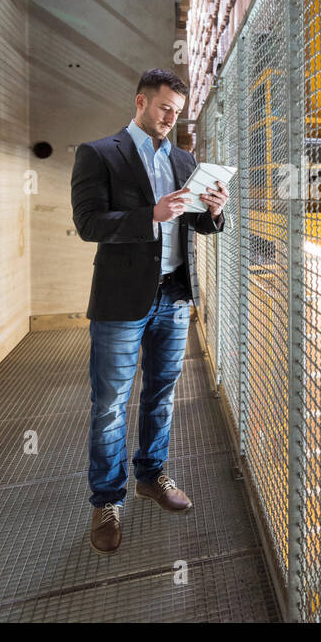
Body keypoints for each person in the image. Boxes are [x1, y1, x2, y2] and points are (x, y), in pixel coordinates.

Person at [70, 68, 228, 555]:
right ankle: (107, 500)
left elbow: (198, 223)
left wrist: (215, 209)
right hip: (121, 301)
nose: (170, 119)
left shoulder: (184, 158)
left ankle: (151, 476)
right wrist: (149, 216)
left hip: (174, 297)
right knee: (111, 405)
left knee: (161, 395)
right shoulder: (99, 154)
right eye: (164, 109)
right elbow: (89, 223)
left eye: (177, 114)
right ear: (140, 102)